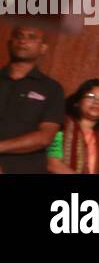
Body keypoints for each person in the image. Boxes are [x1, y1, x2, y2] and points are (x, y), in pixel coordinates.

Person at [0, 26, 64, 174]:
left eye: (31, 37)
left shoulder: (52, 89)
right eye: (19, 36)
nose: (23, 40)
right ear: (10, 43)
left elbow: (44, 137)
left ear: (43, 48)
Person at [46, 79, 99, 174]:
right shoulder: (60, 128)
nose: (97, 102)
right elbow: (52, 164)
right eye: (91, 96)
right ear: (77, 102)